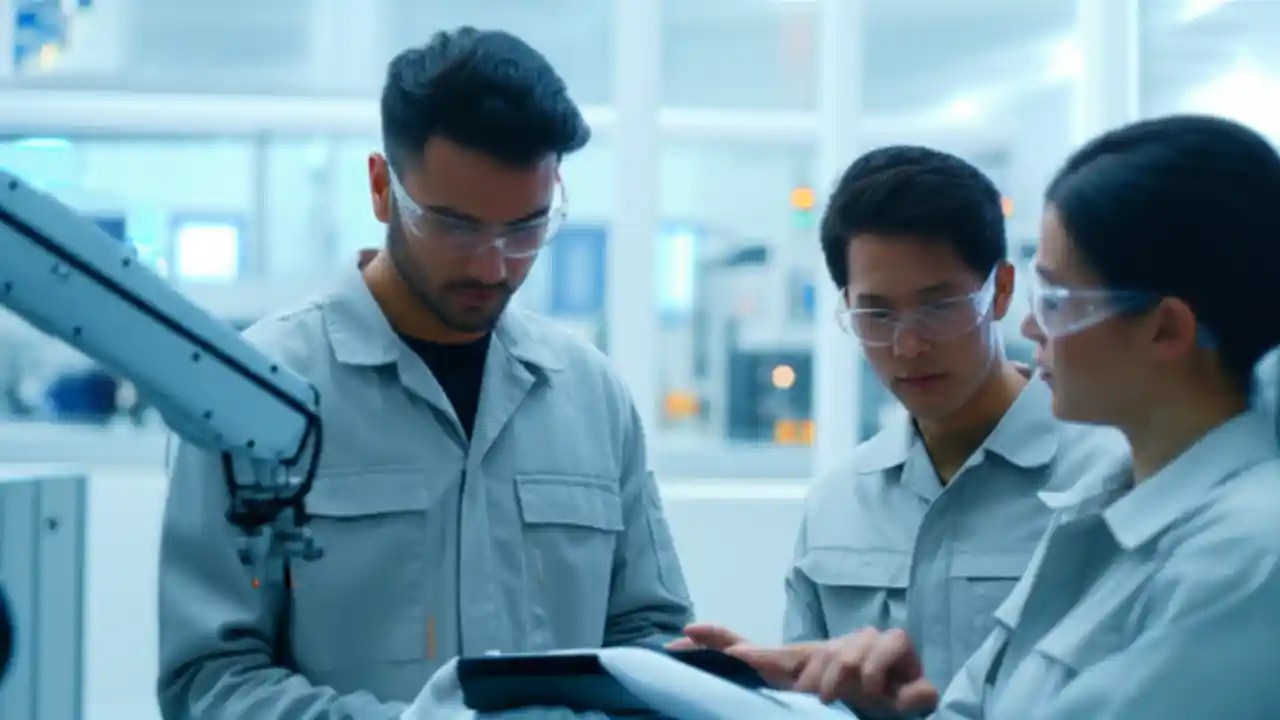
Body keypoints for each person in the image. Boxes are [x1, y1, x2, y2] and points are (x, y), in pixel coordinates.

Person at [157, 28, 693, 719]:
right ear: (382, 188)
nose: (492, 266)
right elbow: (209, 680)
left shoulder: (592, 397)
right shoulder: (256, 398)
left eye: (526, 230)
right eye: (456, 227)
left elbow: (650, 638)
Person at [720, 115, 1280, 719]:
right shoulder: (1102, 507)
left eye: (1060, 301)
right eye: (876, 314)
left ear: (1166, 328)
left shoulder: (1245, 558)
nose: (1034, 329)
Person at [674, 146, 1126, 714]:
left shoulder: (1108, 479)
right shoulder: (839, 503)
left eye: (939, 307)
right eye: (877, 315)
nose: (908, 345)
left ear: (1002, 290)